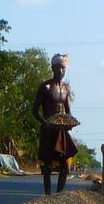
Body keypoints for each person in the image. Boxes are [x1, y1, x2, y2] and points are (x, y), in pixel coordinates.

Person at [32, 53, 79, 196]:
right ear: (52, 68)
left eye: (63, 68)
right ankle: (47, 195)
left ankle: (59, 195)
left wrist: (70, 123)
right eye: (58, 68)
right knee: (47, 164)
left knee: (64, 164)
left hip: (61, 130)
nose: (61, 71)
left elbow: (68, 111)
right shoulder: (45, 87)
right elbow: (34, 110)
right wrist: (45, 123)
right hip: (48, 129)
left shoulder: (66, 89)